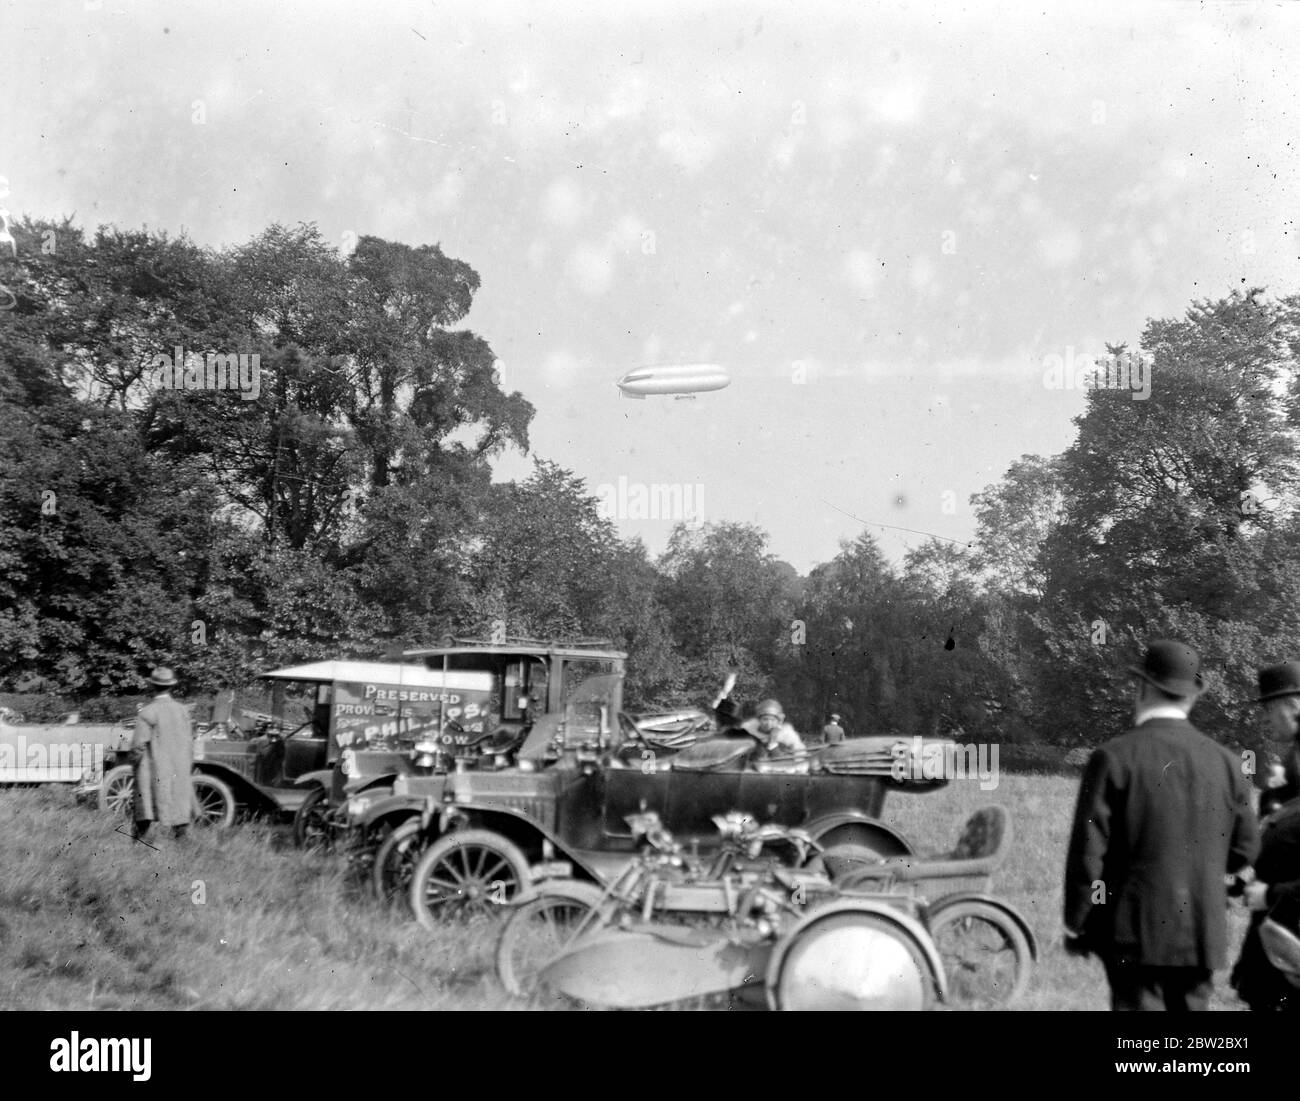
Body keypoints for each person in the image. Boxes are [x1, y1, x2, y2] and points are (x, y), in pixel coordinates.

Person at [1063, 640, 1259, 1011]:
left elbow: (1089, 853)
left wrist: (1078, 921)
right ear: (1191, 697)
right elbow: (1245, 850)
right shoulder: (1230, 764)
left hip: (1132, 933)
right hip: (1201, 930)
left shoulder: (1112, 757)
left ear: (1143, 687)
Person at [1230, 662, 1300, 1011]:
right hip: (1277, 921)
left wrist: (1271, 892)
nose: (1265, 718)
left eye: (1271, 708)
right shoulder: (1290, 761)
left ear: (1296, 706)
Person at [130, 666, 195, 841]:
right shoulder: (183, 710)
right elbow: (190, 741)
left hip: (155, 770)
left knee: (145, 804)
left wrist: (134, 763)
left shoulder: (148, 712)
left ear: (152, 686)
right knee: (179, 803)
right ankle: (182, 845)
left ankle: (136, 845)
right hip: (179, 767)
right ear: (171, 686)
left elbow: (138, 746)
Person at [741, 699, 806, 755]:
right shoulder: (749, 730)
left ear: (778, 721)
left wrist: (773, 741)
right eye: (765, 719)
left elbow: (799, 753)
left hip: (779, 762)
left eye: (772, 720)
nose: (768, 723)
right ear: (759, 720)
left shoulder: (786, 734)